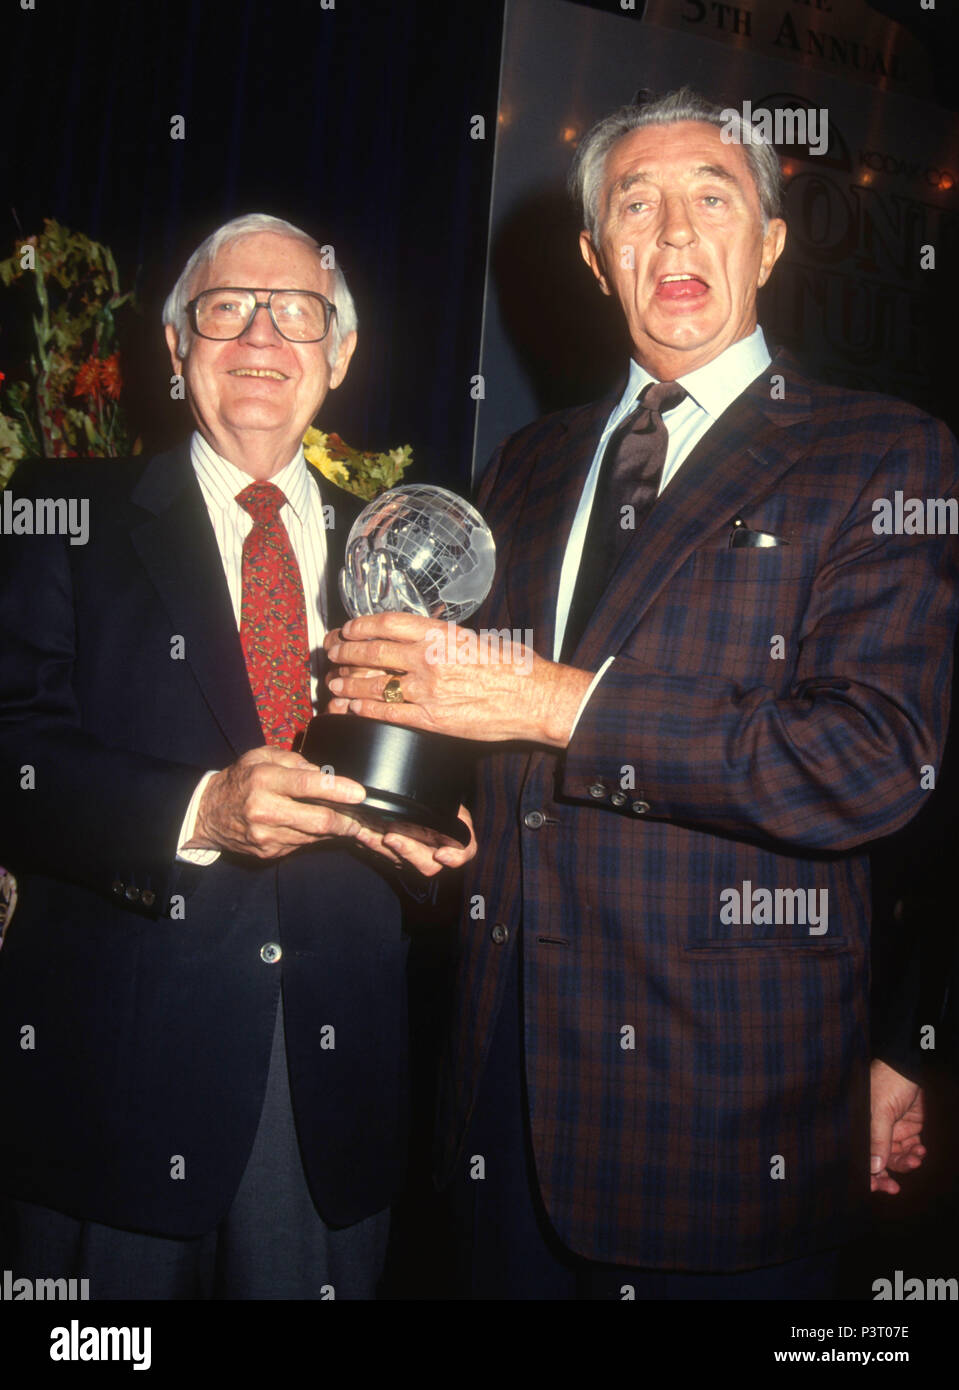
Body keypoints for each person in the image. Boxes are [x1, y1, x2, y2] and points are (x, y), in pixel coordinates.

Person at [322, 89, 959, 1299]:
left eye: (710, 198)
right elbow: (488, 745)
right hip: (493, 1101)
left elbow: (872, 760)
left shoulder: (882, 454)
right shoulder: (527, 460)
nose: (670, 235)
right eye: (633, 204)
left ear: (769, 241)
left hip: (723, 1125)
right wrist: (421, 823)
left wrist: (558, 705)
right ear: (591, 256)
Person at [0, 213, 474, 1300]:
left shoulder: (408, 544)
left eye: (297, 311)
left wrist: (449, 849)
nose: (262, 334)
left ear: (339, 353)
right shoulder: (61, 511)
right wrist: (200, 811)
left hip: (333, 1095)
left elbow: (447, 771)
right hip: (110, 1092)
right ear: (174, 349)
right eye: (225, 308)